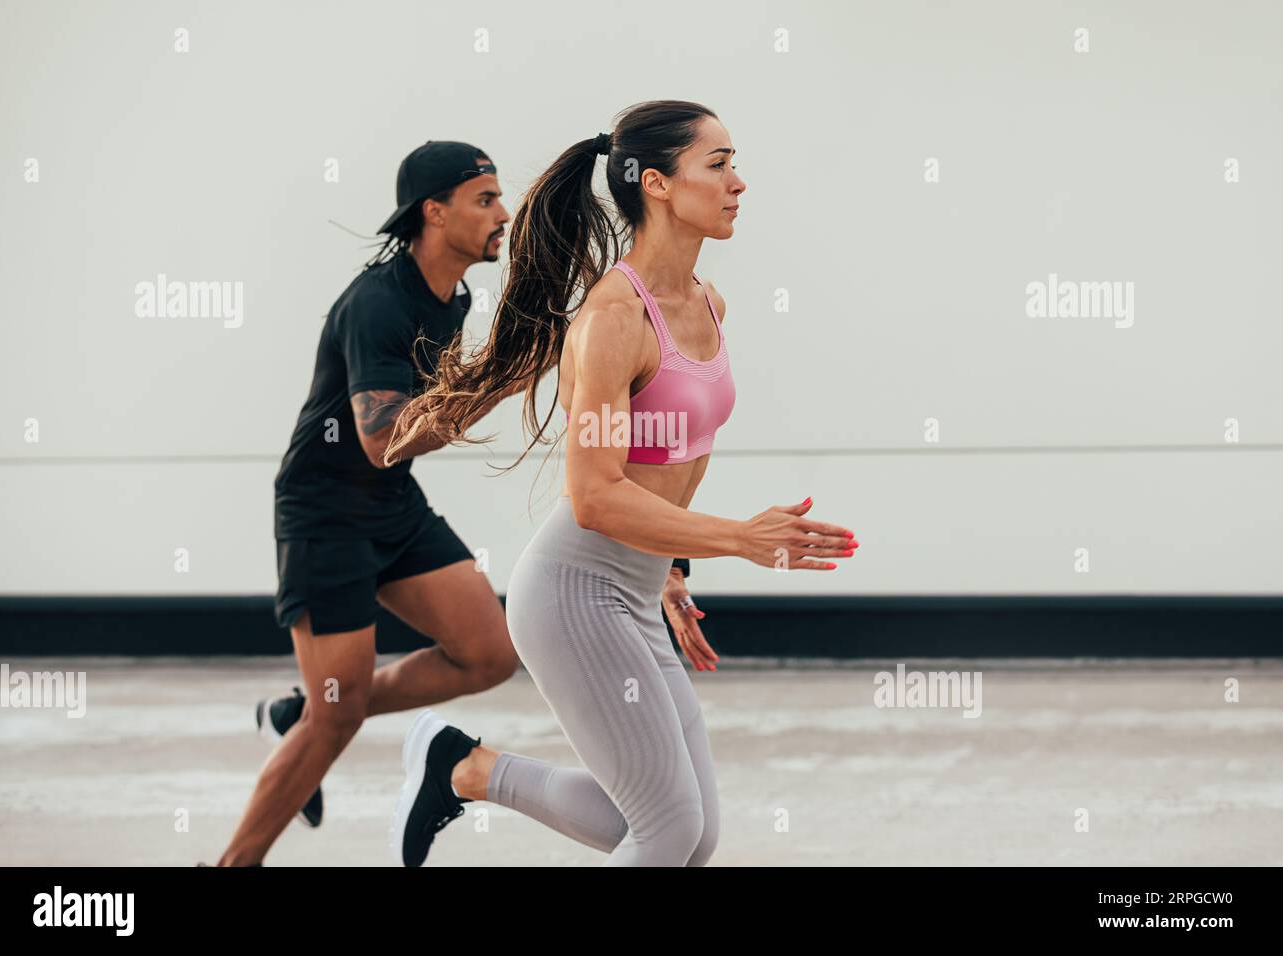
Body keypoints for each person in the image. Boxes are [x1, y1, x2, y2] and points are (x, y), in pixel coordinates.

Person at [385, 101, 859, 867]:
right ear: (657, 184)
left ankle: (463, 769)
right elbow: (597, 495)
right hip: (574, 593)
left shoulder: (708, 305)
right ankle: (459, 767)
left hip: (633, 590)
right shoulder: (613, 321)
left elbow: (680, 455)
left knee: (688, 832)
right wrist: (741, 538)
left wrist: (670, 565)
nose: (738, 182)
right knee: (667, 830)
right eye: (719, 163)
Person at [212, 141, 526, 866]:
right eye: (486, 200)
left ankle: (295, 711)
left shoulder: (453, 297)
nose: (503, 214)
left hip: (388, 504)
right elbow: (385, 437)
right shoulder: (376, 303)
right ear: (433, 211)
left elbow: (402, 445)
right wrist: (499, 386)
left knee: (487, 654)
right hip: (325, 513)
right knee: (337, 721)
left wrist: (497, 372)